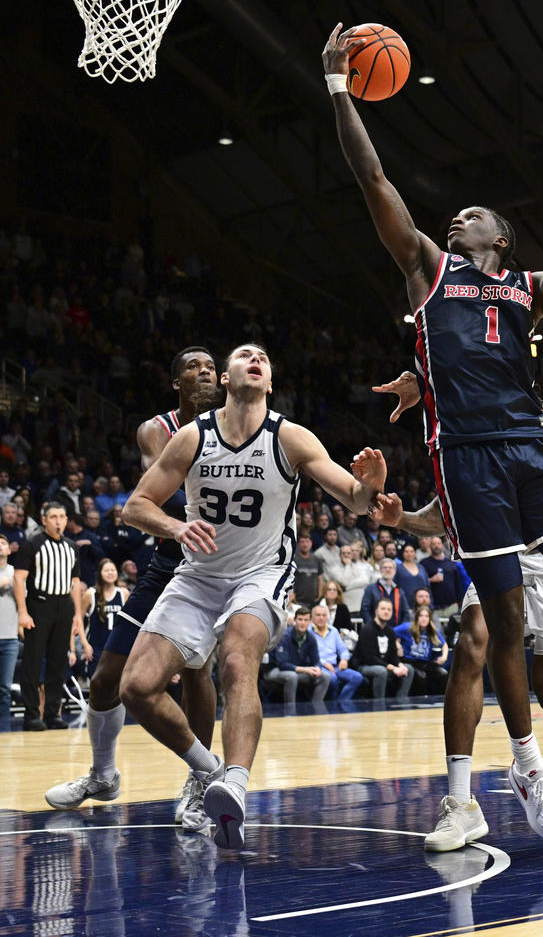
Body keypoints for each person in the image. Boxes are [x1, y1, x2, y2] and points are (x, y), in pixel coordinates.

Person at [324, 33, 543, 842]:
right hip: (467, 455)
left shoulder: (525, 287)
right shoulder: (429, 269)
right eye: (457, 215)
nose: (458, 215)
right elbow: (374, 179)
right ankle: (526, 764)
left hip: (533, 445)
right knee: (500, 621)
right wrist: (339, 89)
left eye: (476, 214)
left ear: (501, 239)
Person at [117, 344, 384, 850]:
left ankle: (235, 785)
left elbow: (354, 497)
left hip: (261, 574)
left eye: (263, 357)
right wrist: (176, 526)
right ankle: (209, 771)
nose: (255, 359)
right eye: (244, 355)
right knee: (136, 687)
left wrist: (371, 486)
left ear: (270, 381)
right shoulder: (193, 437)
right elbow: (136, 506)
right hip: (198, 576)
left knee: (237, 658)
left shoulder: (289, 436)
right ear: (226, 377)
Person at [359, 480, 543, 844]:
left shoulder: (533, 447)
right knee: (471, 644)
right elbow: (452, 504)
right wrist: (401, 519)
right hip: (497, 555)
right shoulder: (460, 454)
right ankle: (461, 804)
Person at [44, 347, 221, 821]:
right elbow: (164, 495)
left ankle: (202, 781)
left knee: (197, 670)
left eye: (210, 367)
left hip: (213, 566)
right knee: (106, 679)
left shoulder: (235, 428)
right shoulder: (156, 430)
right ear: (176, 383)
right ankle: (103, 776)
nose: (204, 372)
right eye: (193, 367)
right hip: (167, 559)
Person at [13, 502, 88, 730]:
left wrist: (77, 615)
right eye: (53, 517)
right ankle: (31, 715)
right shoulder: (32, 544)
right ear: (44, 520)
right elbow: (18, 578)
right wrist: (23, 612)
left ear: (66, 520)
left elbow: (75, 583)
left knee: (58, 663)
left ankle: (53, 714)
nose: (58, 521)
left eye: (62, 516)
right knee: (32, 663)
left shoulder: (72, 547)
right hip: (39, 605)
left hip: (64, 606)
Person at [265, 605, 330, 705]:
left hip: (297, 670)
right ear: (295, 620)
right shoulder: (285, 635)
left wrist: (317, 668)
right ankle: (290, 710)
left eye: (306, 620)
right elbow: (282, 664)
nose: (303, 623)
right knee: (292, 676)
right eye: (300, 619)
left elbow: (316, 661)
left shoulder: (310, 637)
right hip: (275, 670)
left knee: (325, 676)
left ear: (310, 622)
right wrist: (306, 670)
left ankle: (316, 708)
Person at [353, 596, 414, 701]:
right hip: (364, 666)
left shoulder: (390, 631)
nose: (386, 612)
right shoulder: (367, 629)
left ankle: (401, 700)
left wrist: (400, 665)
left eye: (389, 609)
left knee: (408, 668)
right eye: (383, 609)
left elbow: (393, 655)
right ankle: (379, 703)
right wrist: (392, 668)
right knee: (381, 671)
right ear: (376, 611)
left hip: (384, 665)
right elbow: (370, 658)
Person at [83, 559, 130, 678]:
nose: (110, 573)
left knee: (118, 686)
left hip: (118, 649)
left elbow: (129, 623)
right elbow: (77, 620)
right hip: (96, 649)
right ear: (100, 573)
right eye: (106, 570)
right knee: (97, 686)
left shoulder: (123, 593)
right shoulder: (90, 593)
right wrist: (85, 645)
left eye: (113, 570)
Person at [394, 604, 449, 694]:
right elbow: (390, 633)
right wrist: (398, 645)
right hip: (409, 661)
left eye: (426, 616)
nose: (424, 618)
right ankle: (421, 700)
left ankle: (440, 700)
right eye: (421, 616)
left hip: (425, 662)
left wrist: (444, 657)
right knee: (421, 677)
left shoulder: (433, 631)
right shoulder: (407, 627)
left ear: (430, 619)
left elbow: (444, 645)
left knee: (443, 674)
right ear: (417, 618)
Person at [0, 534, 18, 723]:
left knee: (5, 687)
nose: (0, 546)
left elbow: (25, 596)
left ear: (9, 549)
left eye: (3, 543)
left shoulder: (16, 572)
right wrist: (6, 582)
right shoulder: (12, 577)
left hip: (10, 637)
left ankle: (4, 728)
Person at [360, 559, 409, 625]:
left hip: (396, 629)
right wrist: (372, 626)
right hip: (376, 629)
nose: (388, 570)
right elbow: (365, 610)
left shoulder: (399, 591)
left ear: (395, 571)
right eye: (385, 567)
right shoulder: (371, 589)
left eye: (390, 568)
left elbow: (405, 612)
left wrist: (401, 628)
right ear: (380, 570)